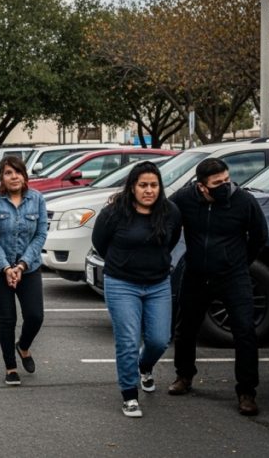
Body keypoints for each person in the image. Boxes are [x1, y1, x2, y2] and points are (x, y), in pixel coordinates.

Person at [168, 157, 267, 416]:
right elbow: (163, 213)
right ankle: (184, 376)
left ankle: (246, 391)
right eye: (217, 183)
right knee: (185, 328)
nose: (225, 185)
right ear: (202, 186)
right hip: (197, 274)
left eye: (227, 179)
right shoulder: (185, 198)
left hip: (233, 275)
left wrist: (240, 262)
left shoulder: (244, 201)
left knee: (245, 331)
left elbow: (260, 236)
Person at [91, 161, 181, 418]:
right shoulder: (113, 214)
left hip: (158, 284)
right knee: (128, 341)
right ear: (132, 187)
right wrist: (124, 263)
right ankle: (129, 394)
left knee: (158, 340)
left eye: (154, 185)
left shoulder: (171, 212)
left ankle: (145, 367)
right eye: (143, 185)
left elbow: (171, 241)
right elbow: (100, 243)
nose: (149, 190)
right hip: (121, 284)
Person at [0, 156, 47, 386]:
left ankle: (23, 346)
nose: (14, 176)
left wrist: (22, 265)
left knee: (35, 316)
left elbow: (40, 235)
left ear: (25, 175)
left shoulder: (37, 199)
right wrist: (7, 267)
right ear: (2, 177)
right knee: (7, 318)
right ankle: (10, 367)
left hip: (28, 268)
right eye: (8, 173)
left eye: (17, 172)